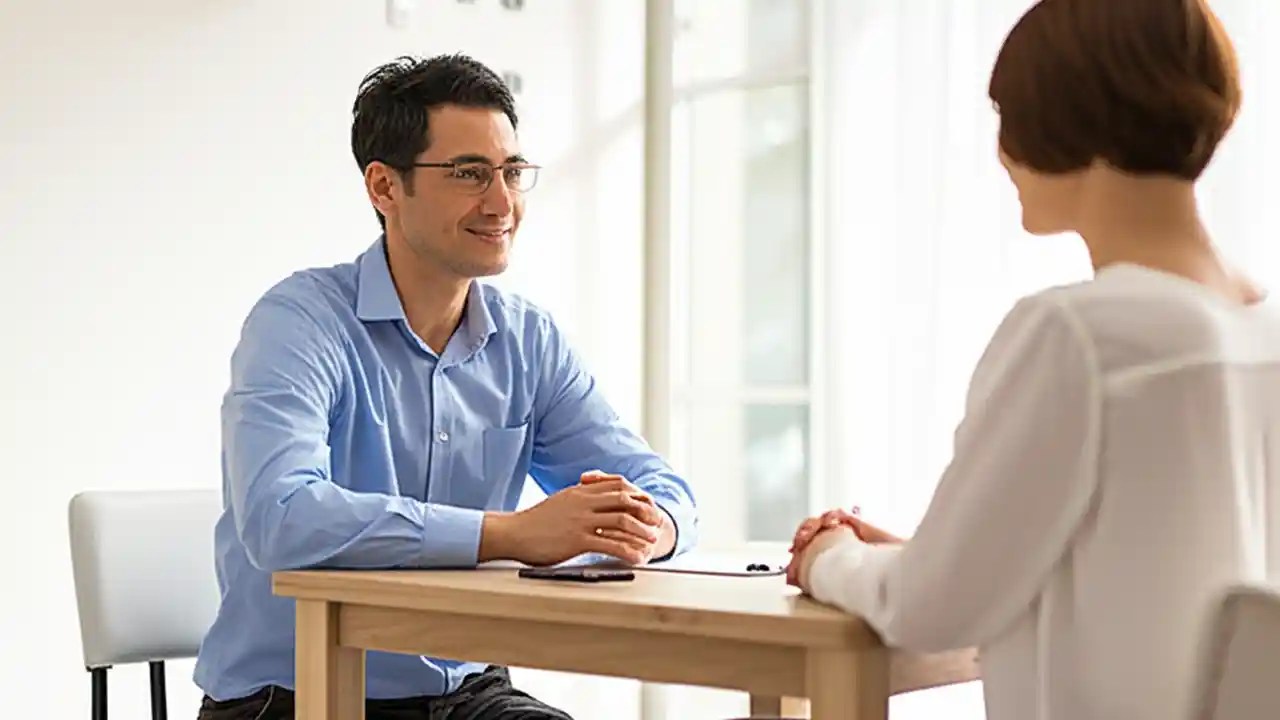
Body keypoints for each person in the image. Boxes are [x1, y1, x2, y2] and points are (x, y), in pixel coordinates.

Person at [786, 1, 1279, 719]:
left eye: (1006, 117)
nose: (1001, 153)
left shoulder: (1079, 334)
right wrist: (930, 551)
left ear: (1067, 116)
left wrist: (830, 557)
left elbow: (928, 611)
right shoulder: (1262, 336)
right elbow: (1154, 583)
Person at [193, 54, 698, 720]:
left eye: (512, 172)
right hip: (294, 697)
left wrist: (642, 526)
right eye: (468, 174)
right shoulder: (300, 322)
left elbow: (668, 495)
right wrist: (509, 534)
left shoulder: (528, 341)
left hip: (466, 693)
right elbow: (280, 519)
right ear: (384, 187)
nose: (502, 203)